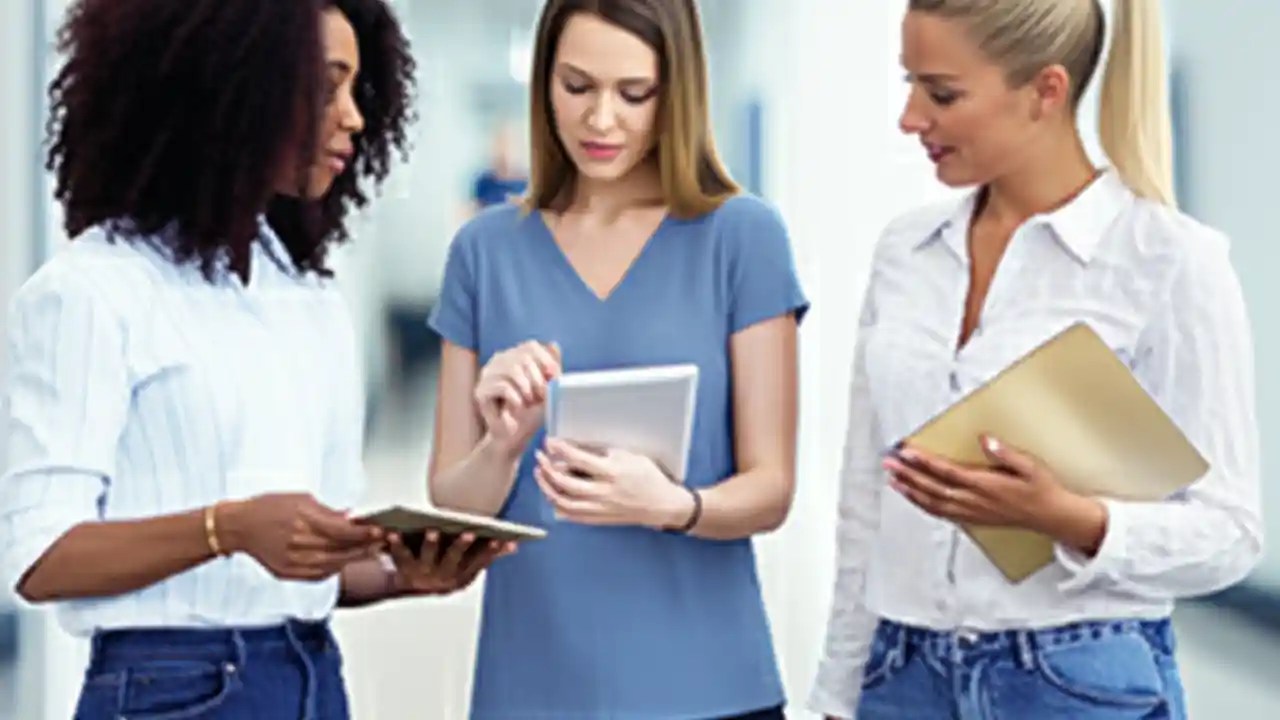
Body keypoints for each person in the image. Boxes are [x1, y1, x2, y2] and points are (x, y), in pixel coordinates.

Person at [0, 1, 511, 718]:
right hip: (169, 692)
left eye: (357, 91)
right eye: (325, 87)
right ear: (235, 86)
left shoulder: (305, 300)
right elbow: (40, 556)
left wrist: (403, 573)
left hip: (309, 674)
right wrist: (227, 529)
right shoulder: (91, 291)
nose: (353, 118)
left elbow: (309, 568)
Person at [810, 1, 1262, 719]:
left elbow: (1231, 535)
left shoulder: (1169, 262)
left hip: (1072, 682)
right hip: (900, 676)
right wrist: (837, 695)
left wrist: (1071, 519)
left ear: (1046, 92)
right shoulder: (905, 251)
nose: (909, 118)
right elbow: (867, 493)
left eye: (942, 93)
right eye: (909, 84)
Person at [427, 0, 809, 717]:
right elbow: (454, 503)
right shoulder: (483, 253)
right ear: (543, 83)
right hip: (532, 688)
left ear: (678, 91)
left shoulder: (742, 238)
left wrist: (675, 506)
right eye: (577, 87)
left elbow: (771, 488)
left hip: (710, 688)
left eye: (635, 94)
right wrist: (504, 446)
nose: (602, 120)